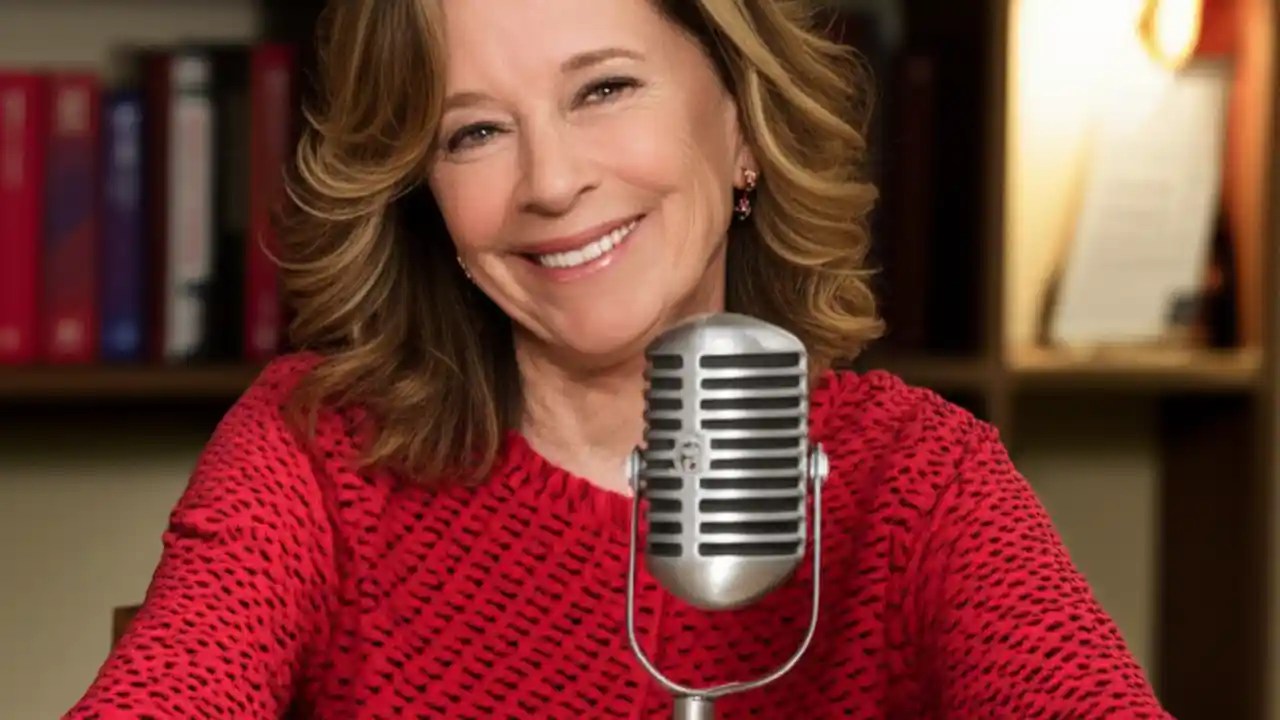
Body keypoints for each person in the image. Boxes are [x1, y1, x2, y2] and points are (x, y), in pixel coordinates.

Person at [67, 0, 1172, 717]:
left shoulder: (916, 478)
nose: (549, 182)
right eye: (472, 132)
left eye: (603, 89)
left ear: (741, 122)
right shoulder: (315, 451)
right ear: (421, 196)